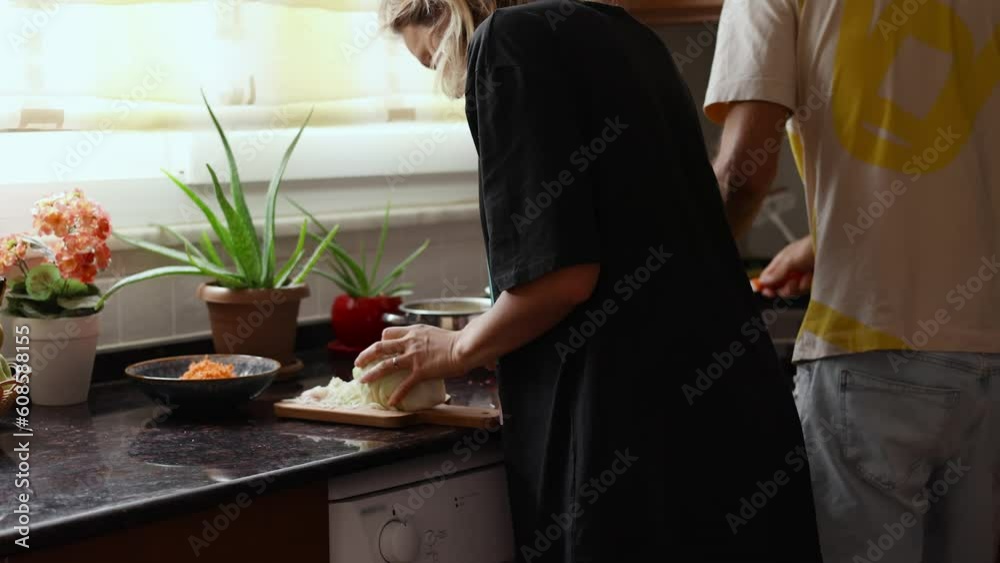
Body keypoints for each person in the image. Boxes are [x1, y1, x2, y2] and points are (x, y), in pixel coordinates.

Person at [356, 1, 823, 561]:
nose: (453, 87)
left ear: (446, 12)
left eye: (434, 61)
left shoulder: (506, 41)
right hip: (730, 421)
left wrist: (457, 344)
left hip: (632, 440)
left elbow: (560, 276)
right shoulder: (627, 34)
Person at [704, 0, 1000, 561]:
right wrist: (831, 240)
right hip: (988, 356)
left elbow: (743, 172)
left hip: (869, 356)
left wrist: (679, 288)